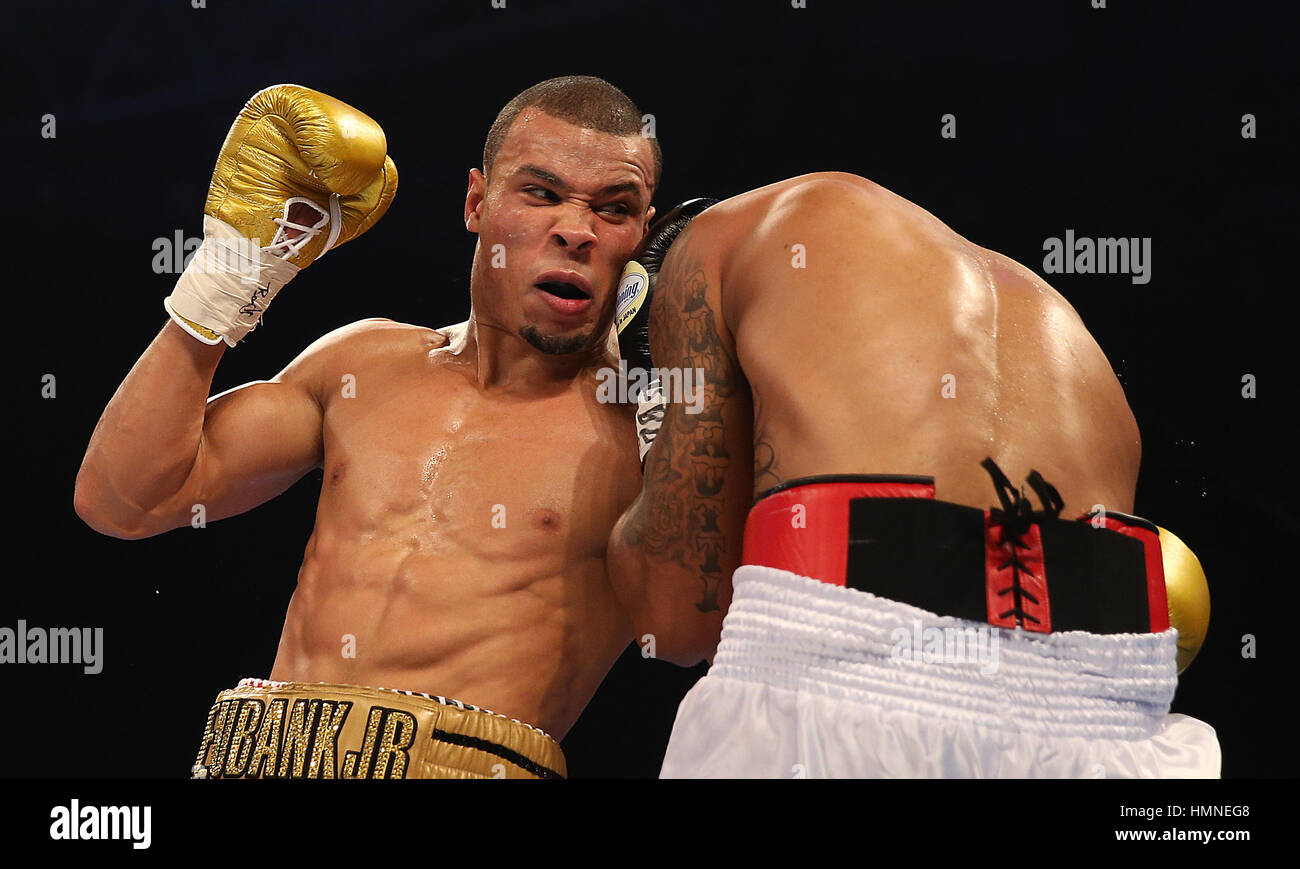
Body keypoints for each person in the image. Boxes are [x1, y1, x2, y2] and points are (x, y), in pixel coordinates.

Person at [74, 76, 660, 779]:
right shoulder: (362, 363)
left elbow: (696, 626)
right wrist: (226, 279)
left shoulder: (650, 434)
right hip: (255, 756)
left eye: (613, 208)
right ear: (476, 202)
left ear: (643, 237)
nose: (577, 229)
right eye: (540, 193)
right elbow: (123, 500)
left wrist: (691, 397)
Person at [608, 173, 1220, 778]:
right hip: (1118, 731)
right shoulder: (1046, 304)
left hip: (850, 684)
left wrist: (650, 417)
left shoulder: (705, 246)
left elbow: (678, 618)